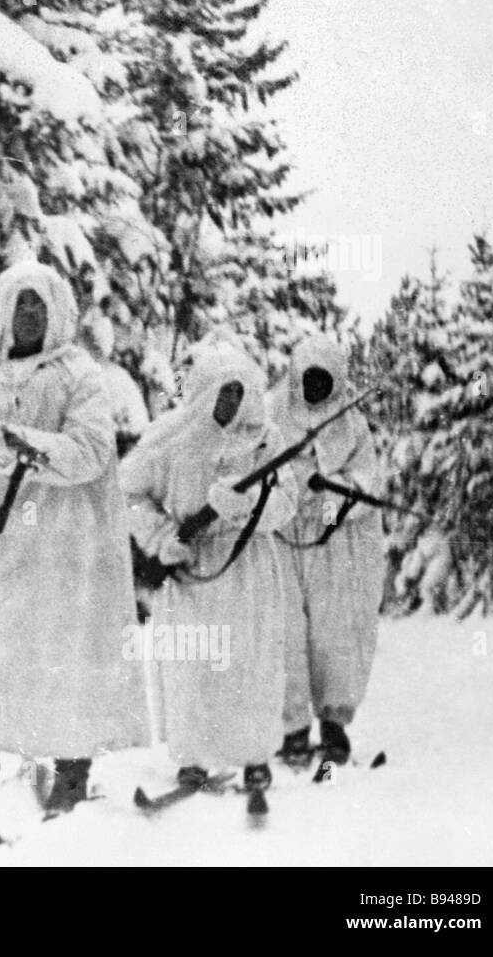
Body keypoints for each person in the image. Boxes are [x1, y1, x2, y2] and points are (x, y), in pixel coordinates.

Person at [0, 261, 146, 816]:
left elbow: (92, 452)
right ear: (3, 308)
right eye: (20, 302)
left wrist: (9, 440)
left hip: (63, 542)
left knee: (63, 652)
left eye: (39, 304)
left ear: (56, 311)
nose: (29, 314)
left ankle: (72, 771)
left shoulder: (79, 375)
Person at [119, 339, 296, 796]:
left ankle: (255, 758)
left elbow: (287, 503)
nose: (232, 402)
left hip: (247, 567)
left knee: (251, 666)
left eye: (239, 391)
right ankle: (194, 761)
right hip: (188, 570)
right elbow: (129, 495)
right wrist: (161, 539)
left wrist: (249, 503)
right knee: (191, 669)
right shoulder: (169, 437)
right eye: (222, 391)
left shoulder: (265, 440)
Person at [270, 333, 387, 766]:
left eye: (323, 380)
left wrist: (332, 502)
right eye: (308, 378)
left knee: (334, 633)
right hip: (281, 541)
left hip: (334, 547)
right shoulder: (271, 412)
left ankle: (333, 723)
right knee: (285, 633)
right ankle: (292, 727)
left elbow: (367, 480)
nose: (315, 388)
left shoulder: (351, 424)